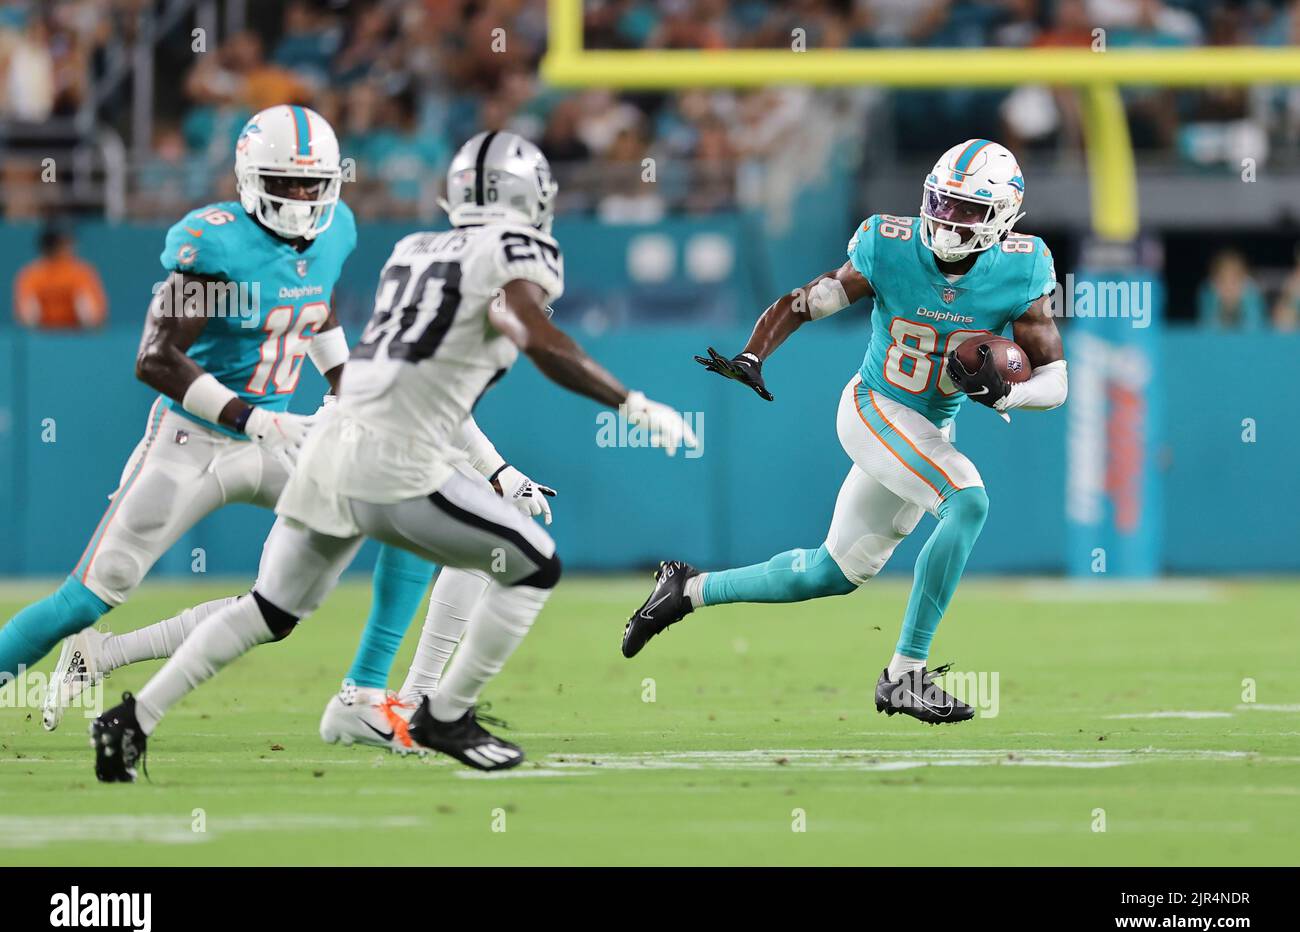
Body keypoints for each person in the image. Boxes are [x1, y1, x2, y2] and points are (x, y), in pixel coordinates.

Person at [89, 131, 697, 781]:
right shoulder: (521, 251)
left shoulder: (415, 249)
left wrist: (497, 470)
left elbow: (403, 371)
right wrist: (629, 401)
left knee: (268, 610)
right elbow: (536, 335)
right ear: (528, 198)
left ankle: (134, 718)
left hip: (330, 440)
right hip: (397, 459)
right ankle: (443, 711)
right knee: (537, 566)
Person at [622, 139, 1068, 724]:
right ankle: (905, 675)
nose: (947, 219)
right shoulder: (889, 245)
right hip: (874, 408)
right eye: (942, 201)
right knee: (968, 503)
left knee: (829, 573)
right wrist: (755, 354)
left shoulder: (1023, 266)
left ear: (1002, 216)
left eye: (966, 210)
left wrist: (1014, 392)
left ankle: (686, 590)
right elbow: (807, 302)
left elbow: (1057, 381)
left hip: (930, 428)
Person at [0, 105, 353, 690]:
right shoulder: (214, 246)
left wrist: (344, 387)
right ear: (249, 179)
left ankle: (381, 694)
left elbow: (317, 302)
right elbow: (155, 358)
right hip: (190, 442)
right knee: (85, 598)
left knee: (299, 590)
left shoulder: (334, 232)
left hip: (277, 440)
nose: (300, 196)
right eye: (284, 182)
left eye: (311, 183)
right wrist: (255, 420)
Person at [13, 226, 108, 330]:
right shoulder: (32, 274)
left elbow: (95, 315)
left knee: (84, 303)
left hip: (77, 336)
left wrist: (90, 323)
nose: (71, 248)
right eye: (65, 244)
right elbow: (25, 314)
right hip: (42, 336)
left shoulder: (81, 272)